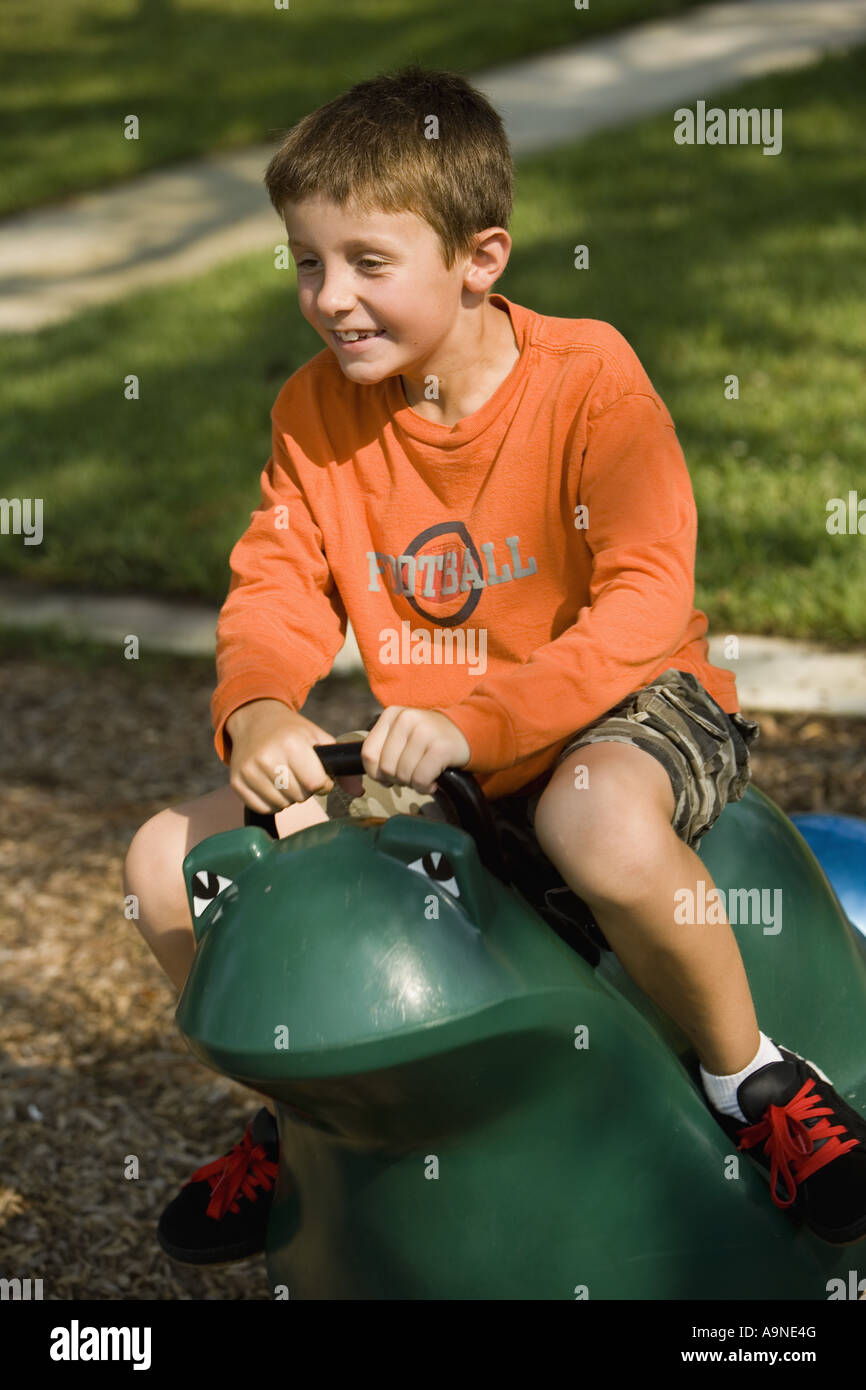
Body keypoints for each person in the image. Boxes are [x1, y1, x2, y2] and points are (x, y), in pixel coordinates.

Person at [123, 64, 866, 1267]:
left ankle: (757, 1080)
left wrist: (481, 716)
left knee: (595, 827)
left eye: (369, 263)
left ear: (480, 258)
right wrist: (257, 706)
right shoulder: (314, 412)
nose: (330, 298)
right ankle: (298, 1122)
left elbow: (640, 604)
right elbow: (276, 584)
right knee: (167, 863)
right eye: (306, 262)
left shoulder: (586, 382)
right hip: (438, 740)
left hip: (624, 705)